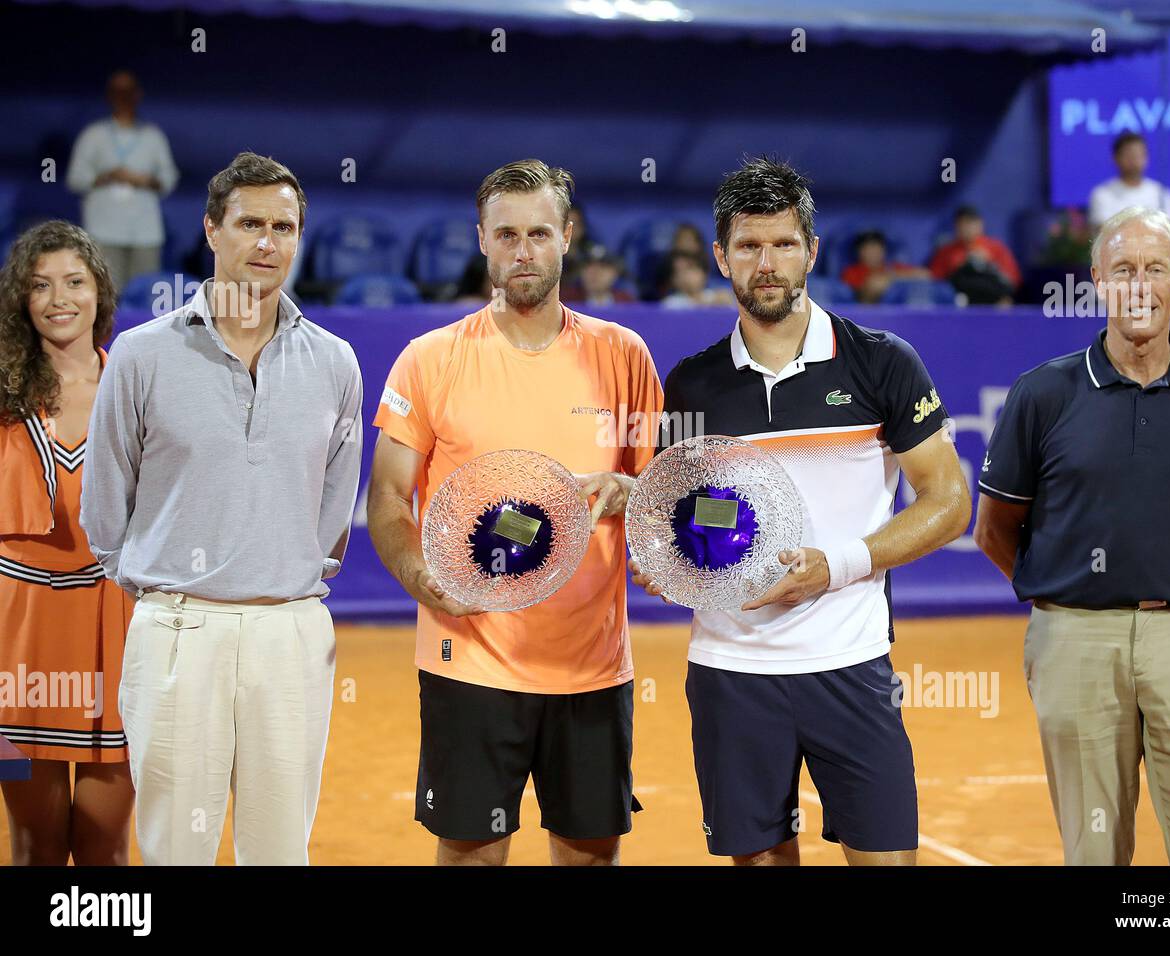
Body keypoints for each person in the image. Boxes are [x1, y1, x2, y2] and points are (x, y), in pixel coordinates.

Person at [632, 158, 970, 866]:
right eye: (749, 246)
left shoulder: (882, 363)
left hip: (850, 664)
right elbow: (675, 524)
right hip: (730, 670)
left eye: (785, 243)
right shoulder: (692, 384)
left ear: (812, 251)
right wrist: (664, 565)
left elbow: (948, 501)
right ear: (721, 257)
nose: (768, 263)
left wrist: (836, 566)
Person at [367, 159, 663, 866]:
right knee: (471, 852)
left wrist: (631, 497)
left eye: (538, 233)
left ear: (567, 235)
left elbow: (663, 497)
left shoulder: (625, 355)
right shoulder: (428, 359)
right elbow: (386, 498)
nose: (523, 251)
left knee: (590, 854)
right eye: (506, 234)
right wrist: (418, 574)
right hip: (468, 658)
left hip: (591, 666)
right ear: (482, 240)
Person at [80, 151, 364, 866]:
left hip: (292, 631)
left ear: (299, 238)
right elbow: (105, 509)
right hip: (178, 628)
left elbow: (333, 511)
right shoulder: (140, 356)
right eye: (249, 223)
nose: (266, 242)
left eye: (284, 226)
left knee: (279, 851)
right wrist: (169, 588)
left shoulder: (336, 363)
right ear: (212, 229)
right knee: (177, 847)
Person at [973, 207, 1170, 866]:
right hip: (1074, 643)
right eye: (1124, 270)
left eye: (1155, 269)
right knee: (1095, 852)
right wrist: (1068, 600)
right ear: (1098, 283)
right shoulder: (1042, 393)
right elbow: (994, 530)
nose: (1140, 284)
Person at [0, 221, 134, 865]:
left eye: (74, 282)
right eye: (40, 285)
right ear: (21, 301)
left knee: (105, 842)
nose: (58, 298)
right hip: (16, 633)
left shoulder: (135, 386)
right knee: (35, 844)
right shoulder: (2, 394)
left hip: (118, 626)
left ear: (98, 292)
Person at [66, 70, 179, 291]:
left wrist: (147, 181)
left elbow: (169, 178)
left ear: (137, 95)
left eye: (128, 91)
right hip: (104, 230)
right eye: (118, 91)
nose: (123, 96)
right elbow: (75, 179)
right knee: (105, 293)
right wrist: (106, 176)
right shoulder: (94, 134)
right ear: (110, 95)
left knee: (145, 294)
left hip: (145, 232)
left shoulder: (152, 136)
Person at [928, 206, 1021, 305]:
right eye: (962, 224)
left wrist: (988, 264)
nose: (966, 228)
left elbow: (1013, 281)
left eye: (970, 223)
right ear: (956, 226)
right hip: (962, 303)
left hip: (994, 303)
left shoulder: (996, 248)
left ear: (980, 224)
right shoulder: (947, 251)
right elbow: (935, 278)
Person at [1088, 131, 1170, 230]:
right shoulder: (1102, 194)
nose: (1134, 160)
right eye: (1129, 155)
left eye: (1139, 155)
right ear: (1116, 158)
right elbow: (1102, 234)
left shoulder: (1162, 193)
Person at [840, 230, 929, 304]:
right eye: (868, 249)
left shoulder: (893, 267)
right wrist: (875, 284)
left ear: (884, 251)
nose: (873, 253)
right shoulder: (852, 271)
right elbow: (863, 297)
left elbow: (925, 275)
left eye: (876, 248)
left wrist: (890, 277)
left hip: (898, 311)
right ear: (859, 252)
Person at [660, 251, 732, 308]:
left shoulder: (716, 296)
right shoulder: (671, 304)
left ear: (703, 274)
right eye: (679, 272)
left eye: (690, 269)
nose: (685, 276)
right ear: (674, 279)